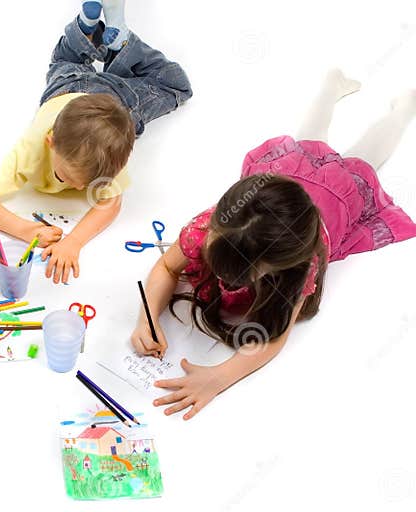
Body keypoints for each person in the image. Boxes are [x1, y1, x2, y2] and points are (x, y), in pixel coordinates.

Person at [131, 70, 416, 420]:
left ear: (277, 267)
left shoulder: (299, 264)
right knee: (307, 144)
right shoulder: (212, 225)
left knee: (362, 161)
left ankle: (403, 110)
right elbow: (166, 266)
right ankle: (330, 88)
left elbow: (274, 336)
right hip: (277, 187)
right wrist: (147, 316)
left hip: (334, 200)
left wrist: (217, 378)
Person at [0, 0, 192, 284]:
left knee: (176, 85)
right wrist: (26, 230)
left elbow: (111, 202)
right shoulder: (32, 147)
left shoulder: (107, 152)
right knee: (65, 65)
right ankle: (111, 43)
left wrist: (73, 242)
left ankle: (111, 38)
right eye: (66, 176)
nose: (77, 189)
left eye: (87, 184)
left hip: (116, 101)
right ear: (50, 142)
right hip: (64, 88)